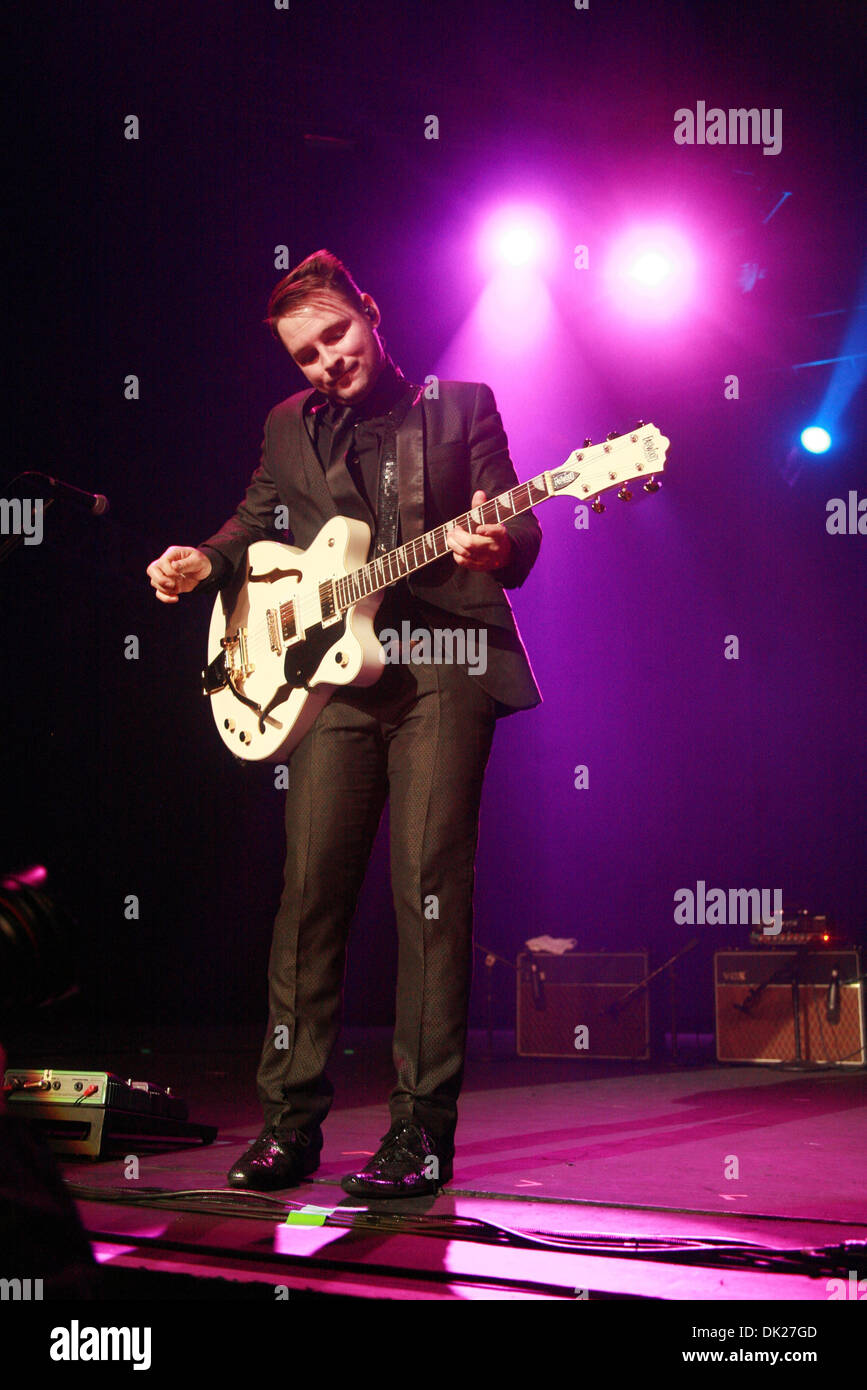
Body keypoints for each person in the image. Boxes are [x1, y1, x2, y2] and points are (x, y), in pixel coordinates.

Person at [147, 250, 542, 1197]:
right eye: (306, 354)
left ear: (371, 312)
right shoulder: (288, 426)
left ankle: (417, 1134)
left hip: (442, 663)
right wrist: (203, 561)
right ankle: (289, 1126)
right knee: (309, 897)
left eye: (336, 335)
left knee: (426, 892)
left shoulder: (460, 405)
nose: (327, 361)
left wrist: (500, 540)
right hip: (329, 678)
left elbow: (516, 524)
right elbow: (253, 524)